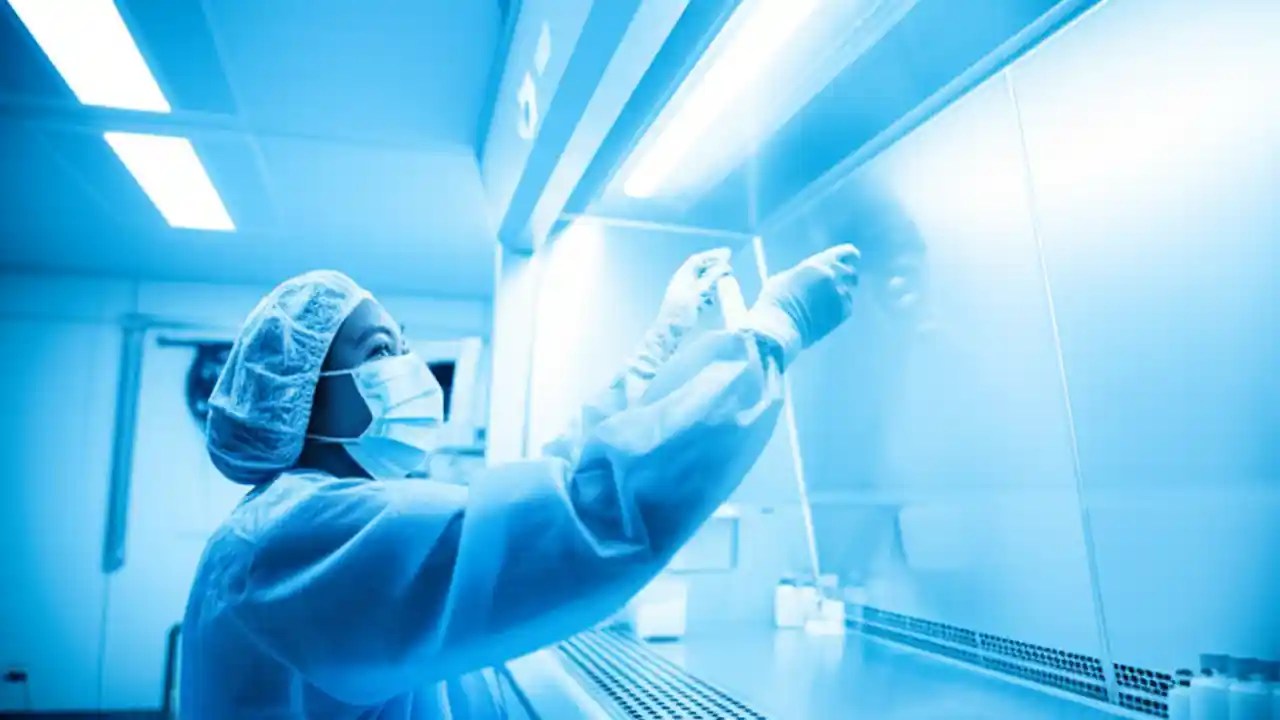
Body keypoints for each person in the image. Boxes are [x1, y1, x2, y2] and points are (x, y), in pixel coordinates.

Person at [181, 243, 861, 718]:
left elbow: (542, 491)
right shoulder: (295, 543)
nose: (410, 368)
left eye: (405, 346)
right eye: (380, 351)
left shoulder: (306, 520)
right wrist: (772, 335)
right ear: (302, 397)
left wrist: (661, 341)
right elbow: (582, 516)